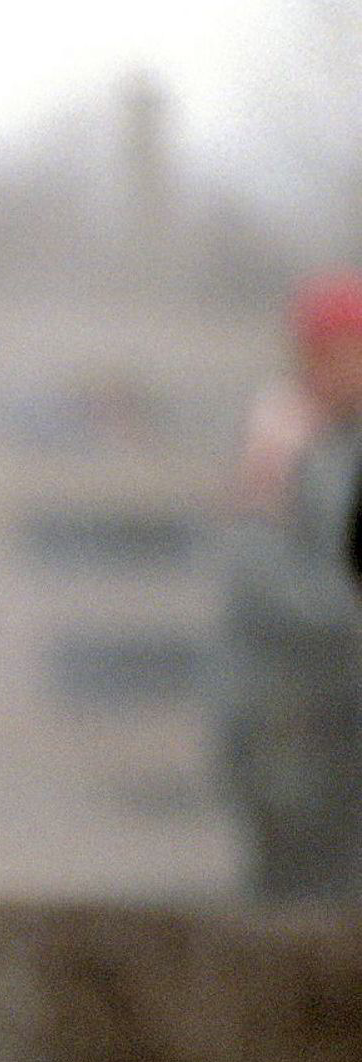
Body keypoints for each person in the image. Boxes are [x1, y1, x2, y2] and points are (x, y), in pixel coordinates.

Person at [219, 269, 362, 902]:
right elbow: (263, 572)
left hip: (343, 712)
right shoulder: (278, 441)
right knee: (295, 901)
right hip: (289, 717)